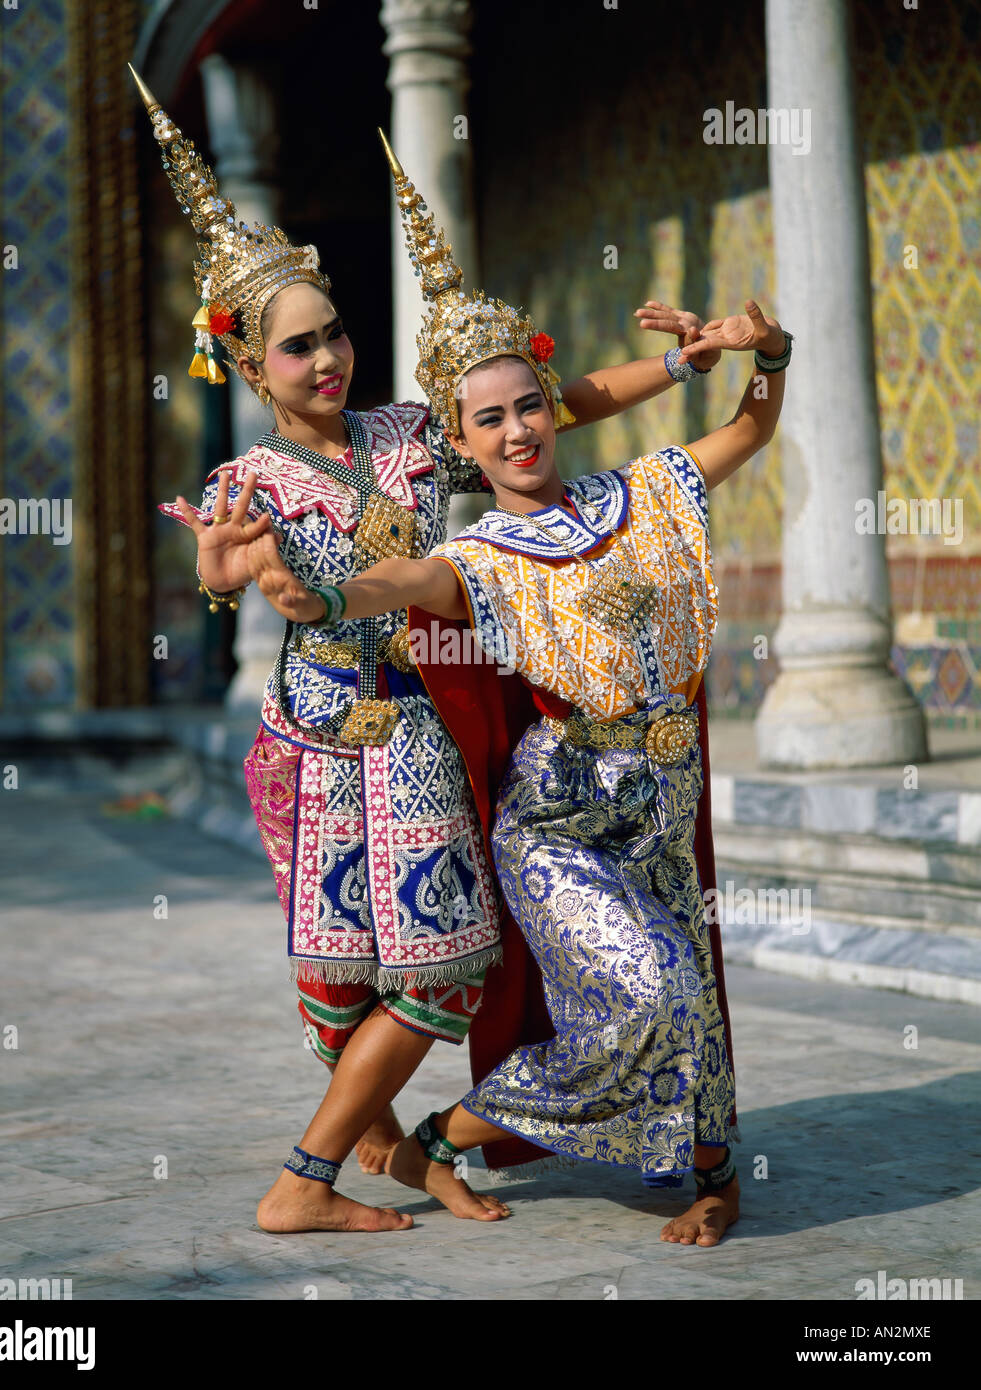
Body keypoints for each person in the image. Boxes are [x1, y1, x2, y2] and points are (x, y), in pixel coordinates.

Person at [131, 71, 717, 1233]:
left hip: (414, 737)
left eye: (334, 331)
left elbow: (562, 398)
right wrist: (232, 566)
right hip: (311, 747)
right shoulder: (244, 482)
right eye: (297, 349)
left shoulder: (407, 433)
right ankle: (365, 1170)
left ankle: (317, 1176)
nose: (327, 359)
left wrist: (687, 370)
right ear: (249, 368)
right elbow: (221, 572)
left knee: (445, 968)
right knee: (339, 985)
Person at [243, 140, 791, 1248]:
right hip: (549, 811)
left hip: (660, 795)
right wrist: (313, 584)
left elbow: (744, 428)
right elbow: (407, 576)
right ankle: (444, 1132)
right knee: (629, 985)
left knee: (687, 992)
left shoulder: (633, 492)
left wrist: (760, 354)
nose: (518, 429)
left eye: (528, 406)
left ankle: (708, 1167)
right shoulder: (483, 554)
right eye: (488, 421)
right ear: (459, 442)